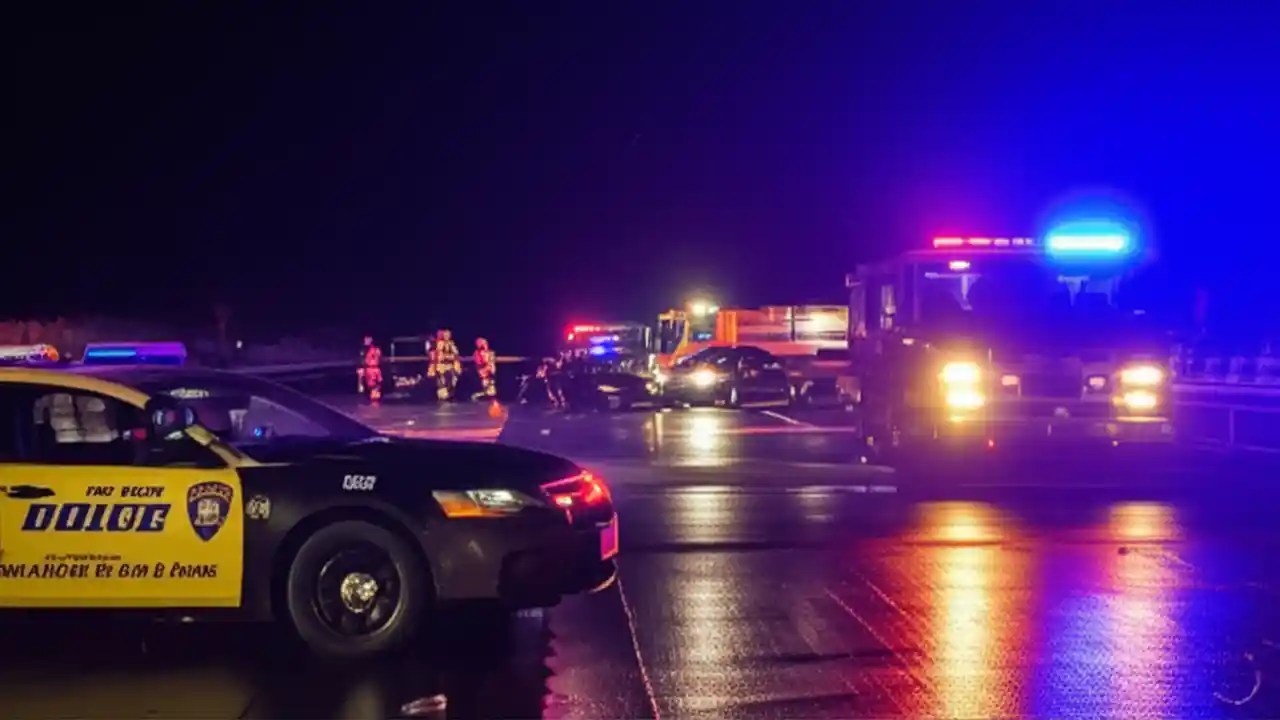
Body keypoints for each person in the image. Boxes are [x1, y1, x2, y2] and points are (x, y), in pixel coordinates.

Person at [430, 329, 462, 401]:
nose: (446, 336)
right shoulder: (440, 344)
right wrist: (448, 357)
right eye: (445, 335)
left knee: (453, 378)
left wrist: (452, 357)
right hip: (441, 366)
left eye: (448, 335)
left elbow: (456, 354)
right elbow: (440, 356)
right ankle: (443, 395)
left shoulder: (451, 343)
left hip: (450, 365)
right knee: (442, 381)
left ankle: (450, 393)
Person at [362, 337, 384, 403]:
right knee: (370, 384)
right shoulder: (366, 351)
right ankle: (373, 396)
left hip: (373, 369)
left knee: (374, 384)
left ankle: (375, 396)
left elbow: (378, 359)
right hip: (369, 369)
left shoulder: (375, 350)